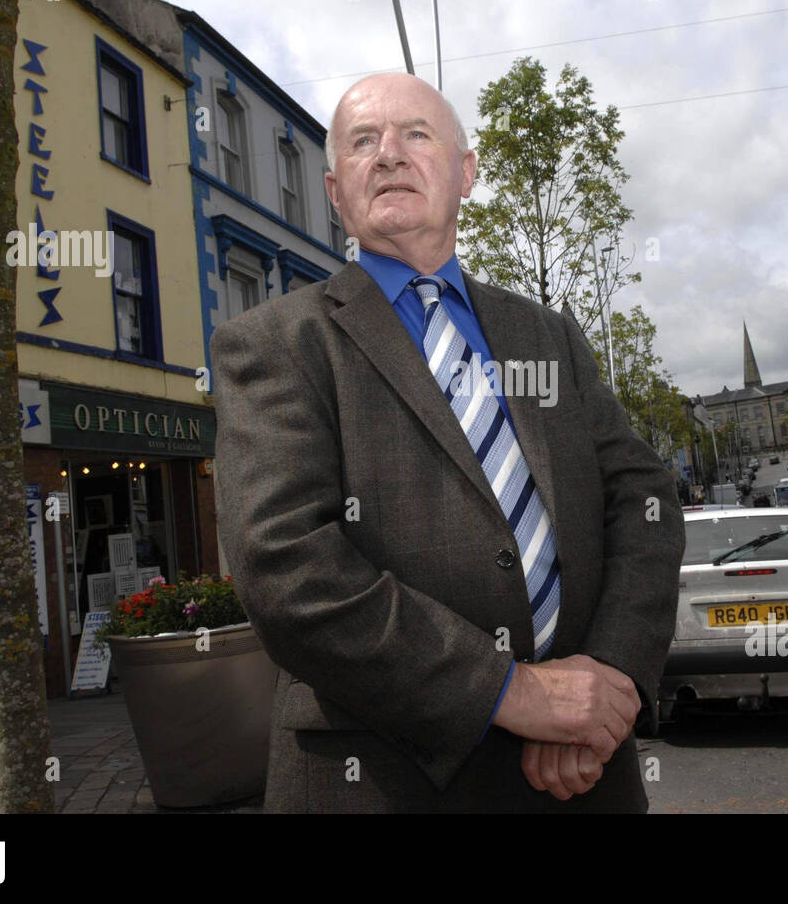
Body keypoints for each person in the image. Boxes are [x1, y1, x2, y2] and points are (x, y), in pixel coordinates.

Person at [211, 72, 685, 813]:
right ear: (336, 192)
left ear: (466, 172)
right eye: (364, 142)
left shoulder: (547, 336)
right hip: (379, 782)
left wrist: (604, 682)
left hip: (585, 782)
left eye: (416, 134)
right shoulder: (275, 343)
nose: (390, 155)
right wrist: (509, 690)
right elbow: (286, 567)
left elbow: (643, 499)